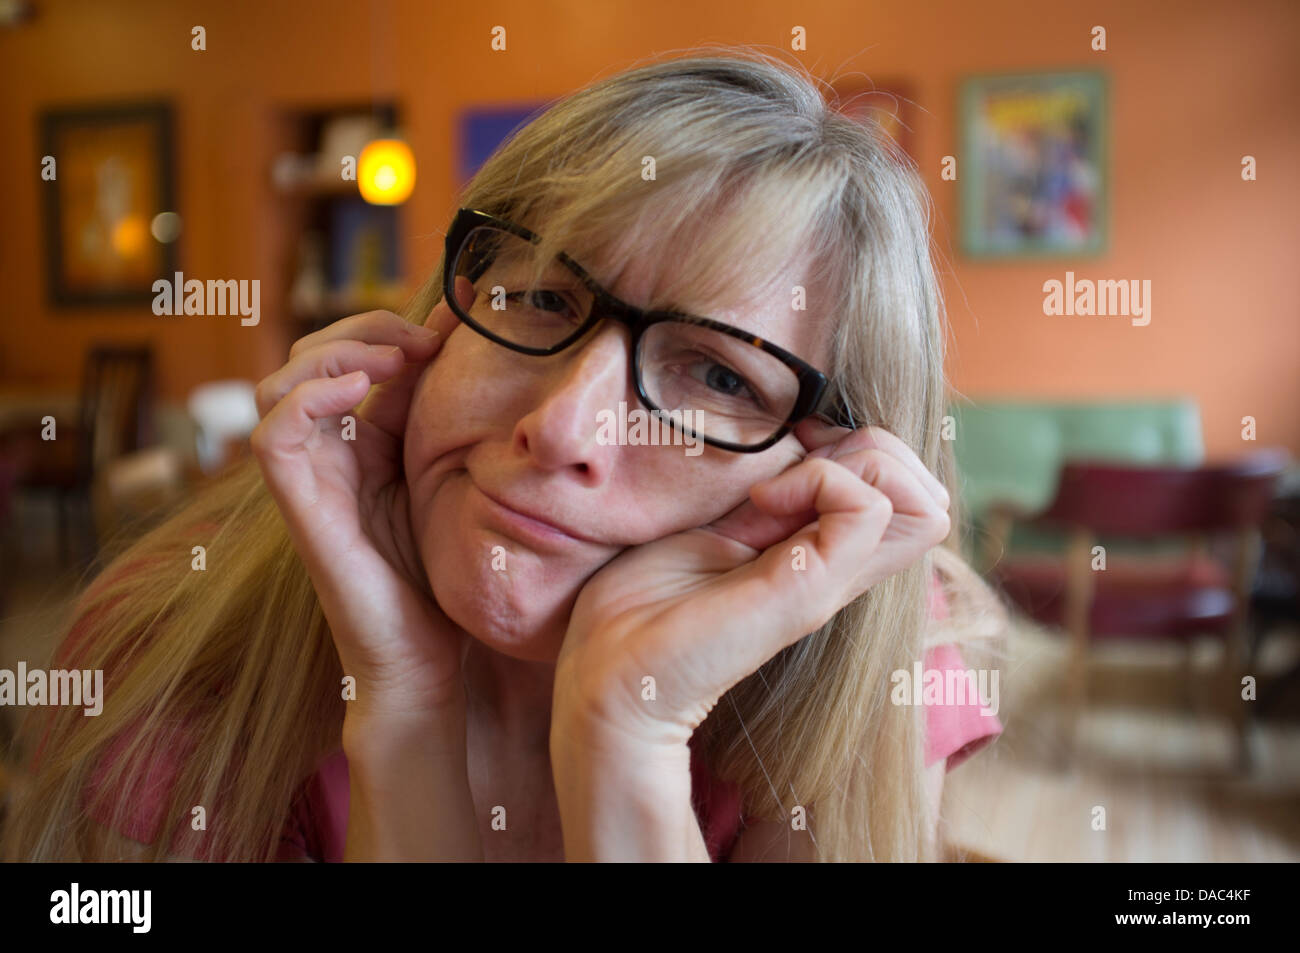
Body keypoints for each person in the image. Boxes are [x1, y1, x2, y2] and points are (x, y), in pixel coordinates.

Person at [2, 47, 1007, 863]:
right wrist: (403, 702)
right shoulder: (170, 652)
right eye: (540, 296)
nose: (563, 429)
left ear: (817, 478)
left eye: (718, 377)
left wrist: (627, 740)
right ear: (439, 322)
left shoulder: (880, 668)